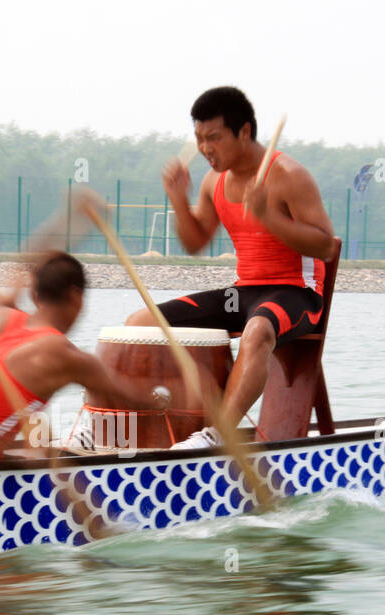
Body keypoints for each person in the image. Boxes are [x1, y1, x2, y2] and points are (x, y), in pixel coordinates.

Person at [125, 86, 337, 449]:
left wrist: (268, 215)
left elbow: (324, 245)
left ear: (244, 132)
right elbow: (195, 244)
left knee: (257, 331)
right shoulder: (214, 181)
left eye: (214, 138)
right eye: (199, 139)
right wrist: (178, 199)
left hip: (296, 294)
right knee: (138, 325)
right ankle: (137, 426)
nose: (206, 148)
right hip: (243, 295)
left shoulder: (287, 174)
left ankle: (216, 435)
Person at [0, 252, 167, 462]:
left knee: (40, 435)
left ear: (35, 297)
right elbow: (130, 397)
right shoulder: (61, 353)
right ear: (75, 296)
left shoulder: (3, 320)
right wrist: (163, 398)